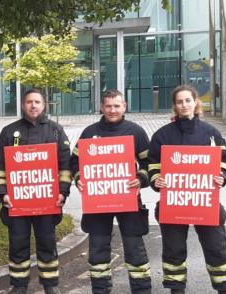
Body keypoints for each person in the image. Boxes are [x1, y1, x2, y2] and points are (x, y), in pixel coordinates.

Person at [149, 85, 226, 294]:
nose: (184, 105)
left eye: (187, 100)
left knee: (217, 249)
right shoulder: (162, 135)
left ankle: (224, 287)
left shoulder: (211, 133)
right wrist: (156, 179)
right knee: (174, 251)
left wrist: (221, 177)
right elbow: (153, 165)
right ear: (174, 106)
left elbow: (223, 162)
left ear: (195, 102)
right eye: (179, 102)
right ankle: (176, 289)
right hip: (173, 203)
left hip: (205, 202)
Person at [70, 90, 152, 294]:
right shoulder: (89, 133)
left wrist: (141, 178)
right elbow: (74, 161)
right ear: (101, 107)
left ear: (124, 106)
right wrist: (79, 177)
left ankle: (142, 291)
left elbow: (150, 163)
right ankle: (100, 290)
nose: (113, 110)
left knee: (135, 251)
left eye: (117, 106)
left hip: (129, 200)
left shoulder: (136, 132)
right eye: (108, 106)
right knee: (97, 251)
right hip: (98, 202)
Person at [0, 89, 71, 294]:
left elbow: (65, 166)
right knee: (18, 244)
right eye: (29, 102)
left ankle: (50, 285)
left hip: (47, 202)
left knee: (47, 243)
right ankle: (19, 286)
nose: (33, 105)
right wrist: (3, 193)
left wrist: (63, 192)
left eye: (37, 102)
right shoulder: (9, 132)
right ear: (22, 105)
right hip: (16, 203)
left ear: (43, 105)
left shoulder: (55, 131)